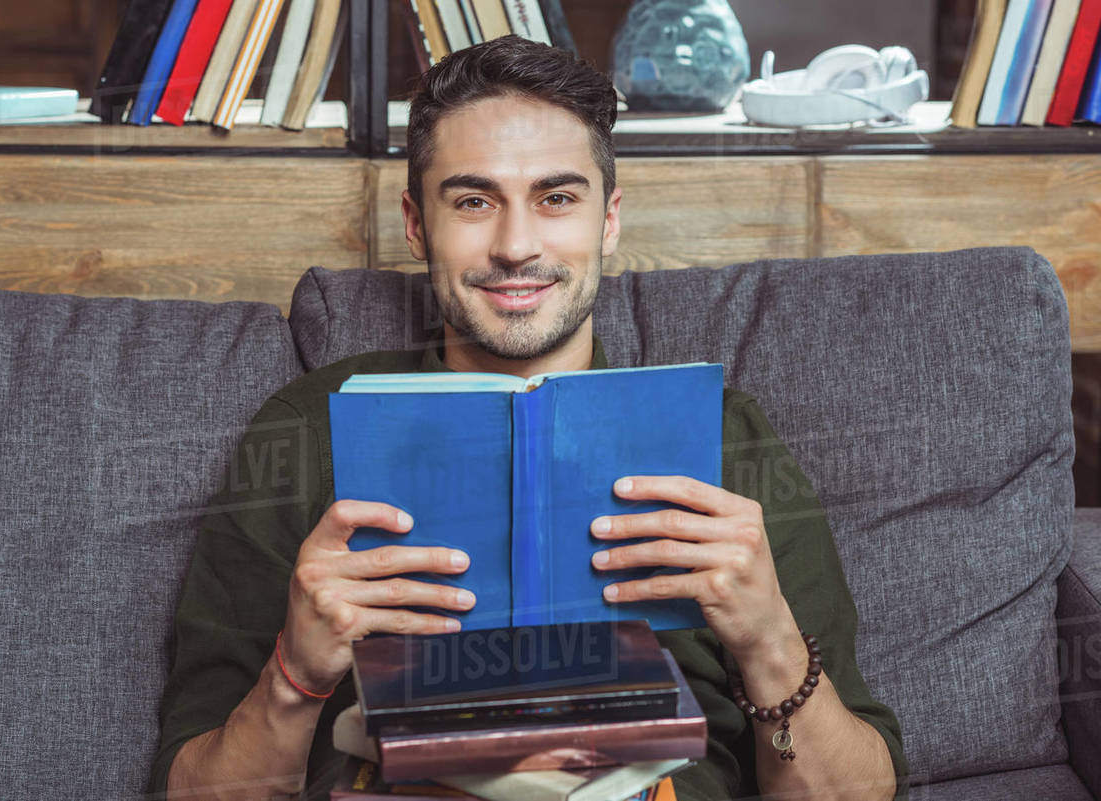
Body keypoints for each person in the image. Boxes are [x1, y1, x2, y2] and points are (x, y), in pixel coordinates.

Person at [148, 36, 907, 800]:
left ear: (608, 221)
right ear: (416, 223)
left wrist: (769, 639)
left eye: (557, 198)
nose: (516, 246)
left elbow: (863, 789)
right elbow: (192, 790)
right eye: (474, 201)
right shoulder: (311, 428)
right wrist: (297, 673)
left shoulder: (726, 437)